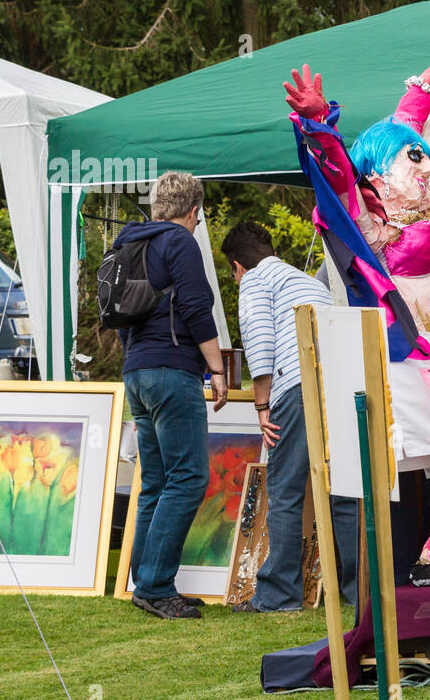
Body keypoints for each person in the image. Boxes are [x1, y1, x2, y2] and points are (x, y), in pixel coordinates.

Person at [221, 221, 361, 612]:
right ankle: (355, 592)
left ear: (238, 267)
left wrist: (262, 407)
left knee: (285, 491)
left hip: (297, 386)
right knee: (344, 492)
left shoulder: (255, 281)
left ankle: (279, 594)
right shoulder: (307, 281)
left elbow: (259, 340)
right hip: (339, 382)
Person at [117, 171, 227, 620]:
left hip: (137, 370)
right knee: (188, 478)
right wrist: (216, 368)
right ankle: (157, 585)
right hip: (171, 369)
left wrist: (137, 364)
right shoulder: (180, 242)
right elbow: (196, 307)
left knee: (157, 481)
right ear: (194, 210)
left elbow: (122, 314)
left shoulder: (129, 242)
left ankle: (146, 581)